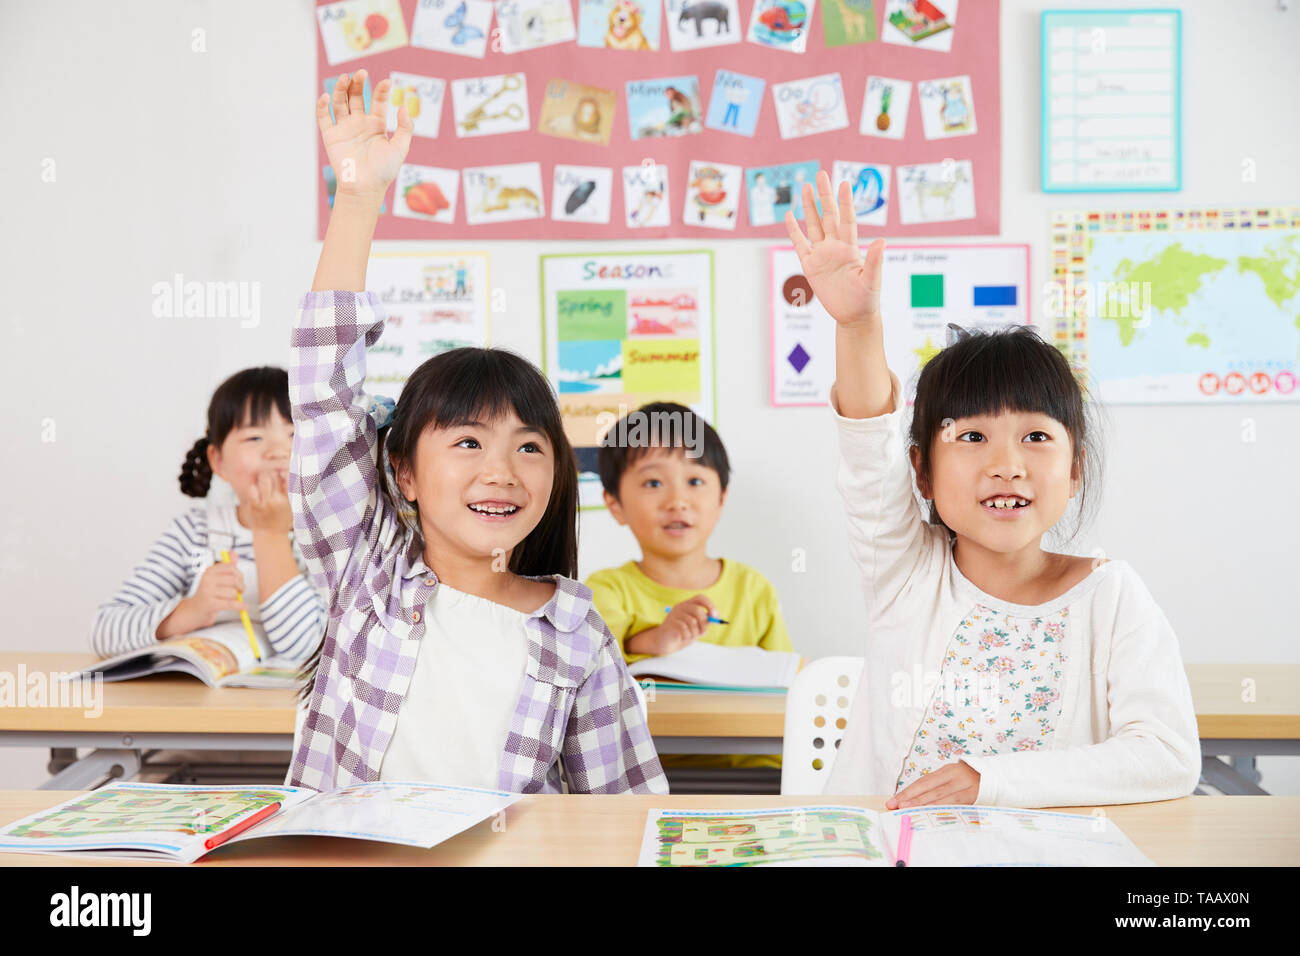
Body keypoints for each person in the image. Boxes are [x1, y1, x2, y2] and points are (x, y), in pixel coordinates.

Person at [288, 70, 667, 794]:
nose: (503, 470)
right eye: (468, 442)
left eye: (529, 446)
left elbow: (623, 812)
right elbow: (322, 388)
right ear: (402, 471)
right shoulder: (365, 575)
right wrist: (360, 199)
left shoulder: (576, 635)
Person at [785, 171, 1200, 808]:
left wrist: (993, 782)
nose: (1007, 465)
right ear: (921, 471)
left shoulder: (1112, 598)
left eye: (1036, 438)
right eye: (972, 438)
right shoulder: (904, 572)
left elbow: (1166, 756)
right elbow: (868, 453)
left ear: (1075, 467)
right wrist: (859, 326)